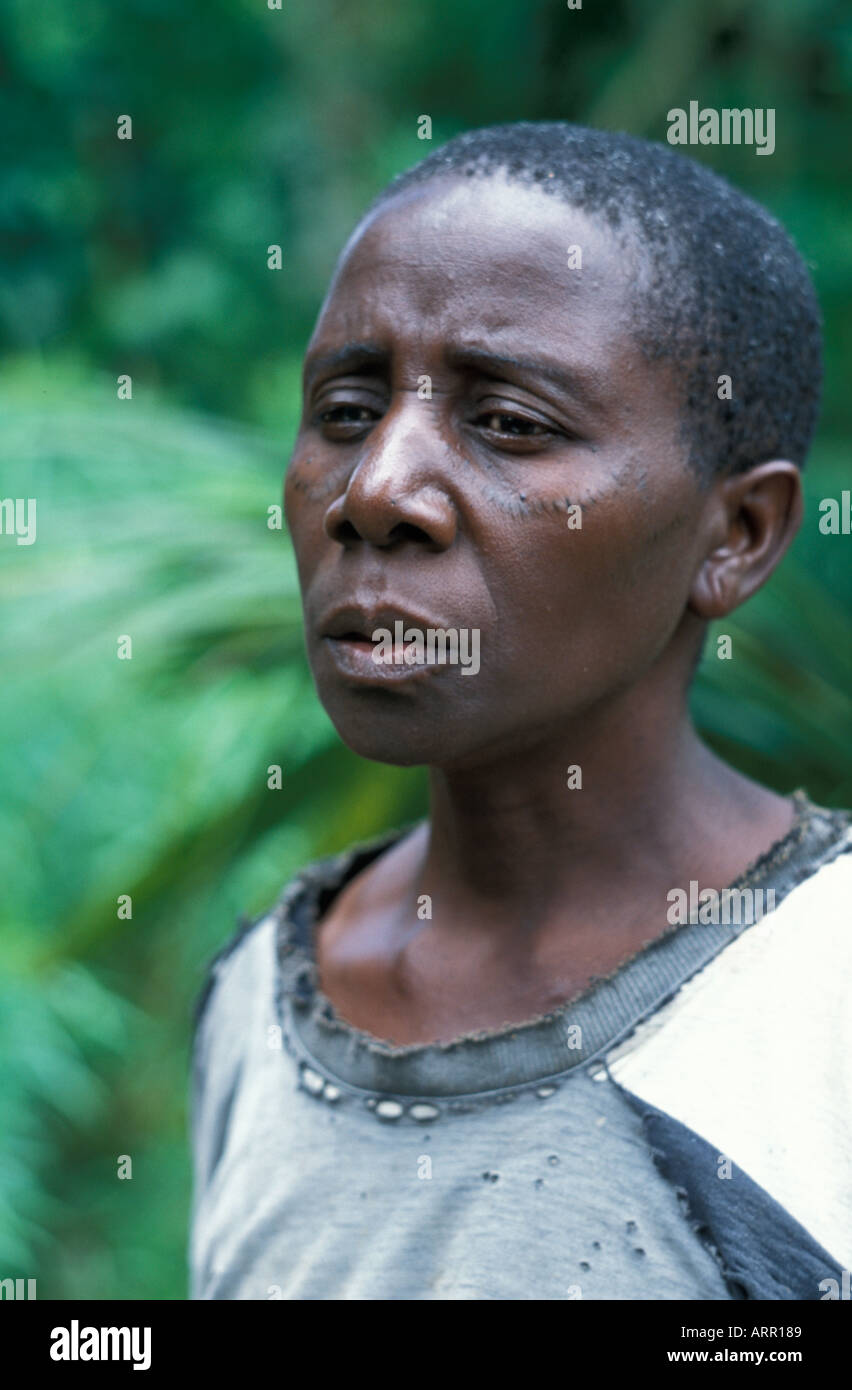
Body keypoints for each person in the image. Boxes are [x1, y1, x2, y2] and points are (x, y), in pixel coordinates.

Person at [189, 123, 851, 1300]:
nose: (377, 489)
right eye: (346, 408)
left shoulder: (820, 1002)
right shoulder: (257, 1005)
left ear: (736, 536)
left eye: (509, 424)